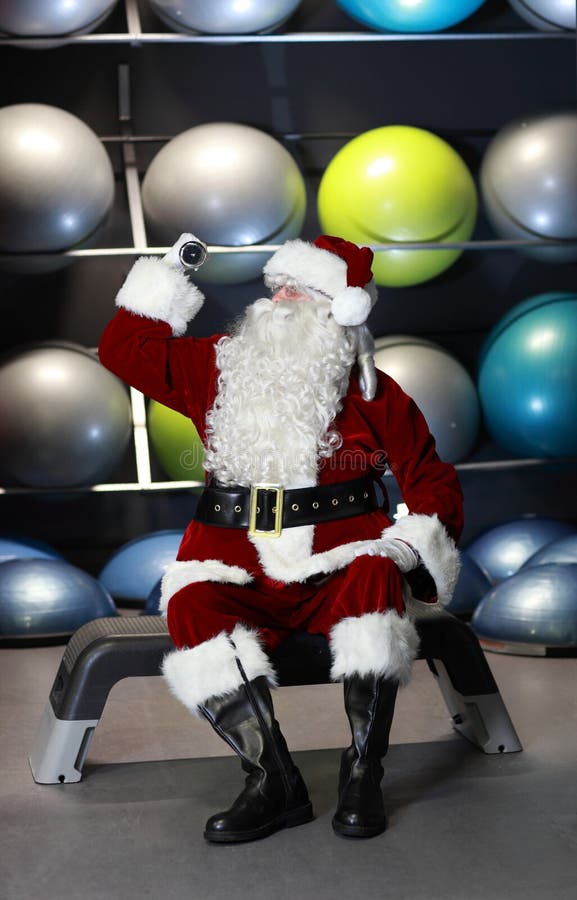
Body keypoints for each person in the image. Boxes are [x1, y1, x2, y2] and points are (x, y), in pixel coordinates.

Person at [99, 232, 463, 844]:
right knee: (191, 601)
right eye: (277, 286)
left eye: (300, 289)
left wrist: (407, 546)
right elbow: (124, 347)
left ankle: (363, 772)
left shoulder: (371, 391)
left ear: (335, 313)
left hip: (338, 567)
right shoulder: (219, 365)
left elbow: (431, 478)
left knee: (376, 573)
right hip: (237, 565)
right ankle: (273, 781)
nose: (279, 297)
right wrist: (171, 271)